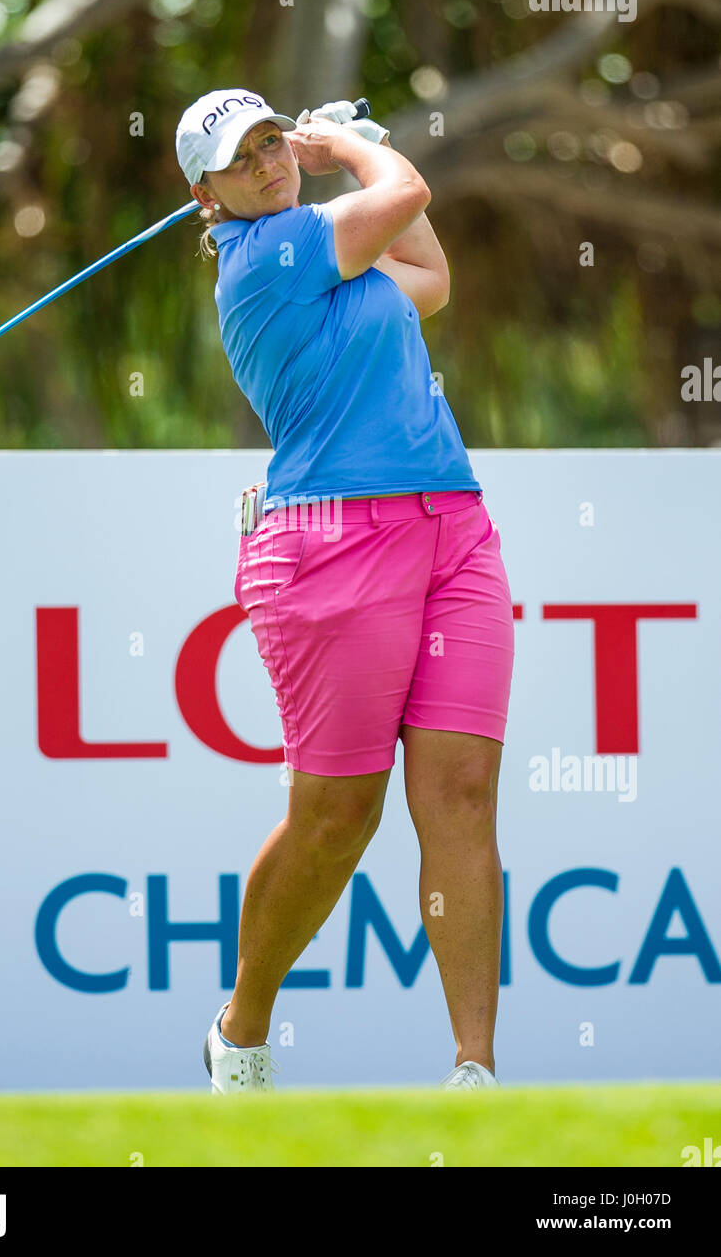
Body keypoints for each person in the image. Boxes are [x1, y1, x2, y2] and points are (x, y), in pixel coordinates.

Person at [174, 89, 515, 1095]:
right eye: (244, 158)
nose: (270, 163)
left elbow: (429, 273)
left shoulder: (336, 259)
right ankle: (241, 1027)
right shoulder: (268, 256)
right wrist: (352, 147)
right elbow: (402, 185)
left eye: (274, 142)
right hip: (327, 546)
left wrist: (346, 152)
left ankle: (475, 1072)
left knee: (457, 793)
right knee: (340, 814)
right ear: (206, 194)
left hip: (451, 527)